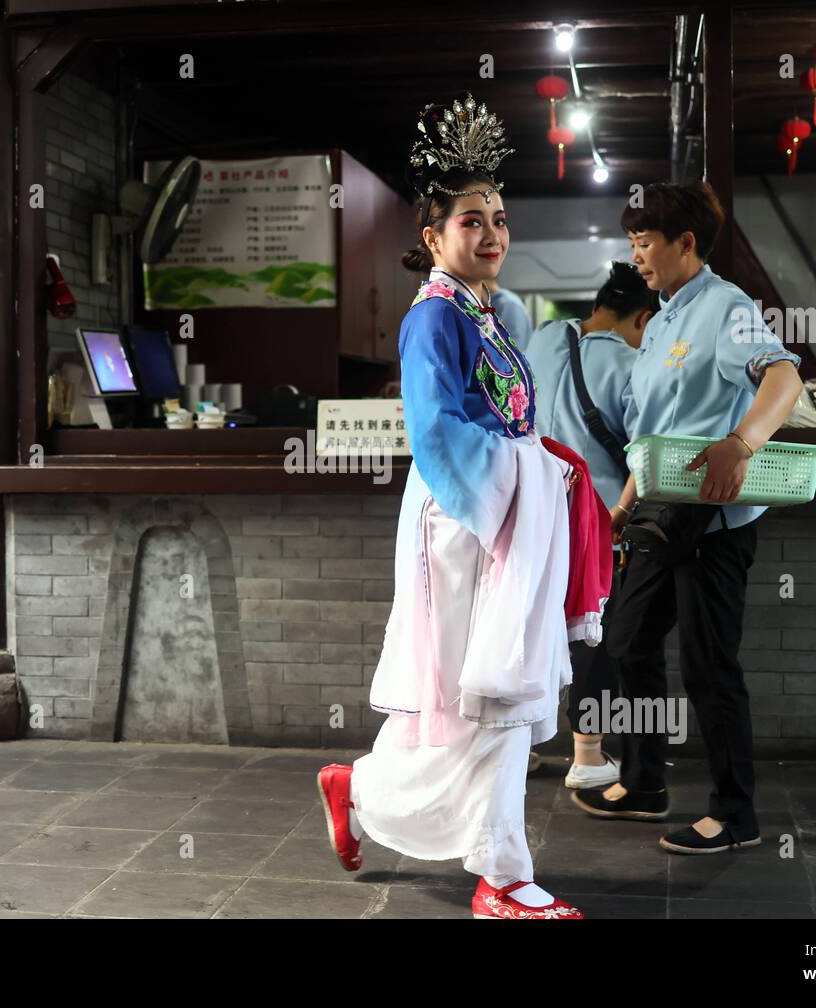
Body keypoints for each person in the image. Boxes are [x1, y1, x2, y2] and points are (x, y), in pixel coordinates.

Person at [315, 93, 595, 921]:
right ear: (432, 237)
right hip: (467, 527)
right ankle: (502, 876)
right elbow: (438, 435)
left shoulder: (488, 314)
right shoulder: (436, 317)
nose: (494, 232)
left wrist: (544, 466)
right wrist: (529, 474)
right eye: (472, 220)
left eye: (501, 217)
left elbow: (508, 423)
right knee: (491, 695)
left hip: (501, 522)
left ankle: (359, 791)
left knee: (479, 707)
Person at [570, 181, 804, 855]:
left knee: (708, 667)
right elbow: (655, 428)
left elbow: (783, 377)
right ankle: (644, 780)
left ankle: (736, 813)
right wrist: (622, 505)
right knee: (627, 641)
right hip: (657, 512)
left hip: (714, 524)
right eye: (632, 243)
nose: (636, 257)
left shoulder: (726, 308)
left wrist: (742, 444)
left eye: (644, 243)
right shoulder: (665, 314)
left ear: (685, 244)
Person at [524, 262, 657, 789]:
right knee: (591, 635)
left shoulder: (540, 342)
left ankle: (517, 747)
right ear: (641, 318)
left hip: (531, 513)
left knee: (528, 631)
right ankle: (587, 755)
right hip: (598, 524)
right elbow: (646, 448)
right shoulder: (628, 363)